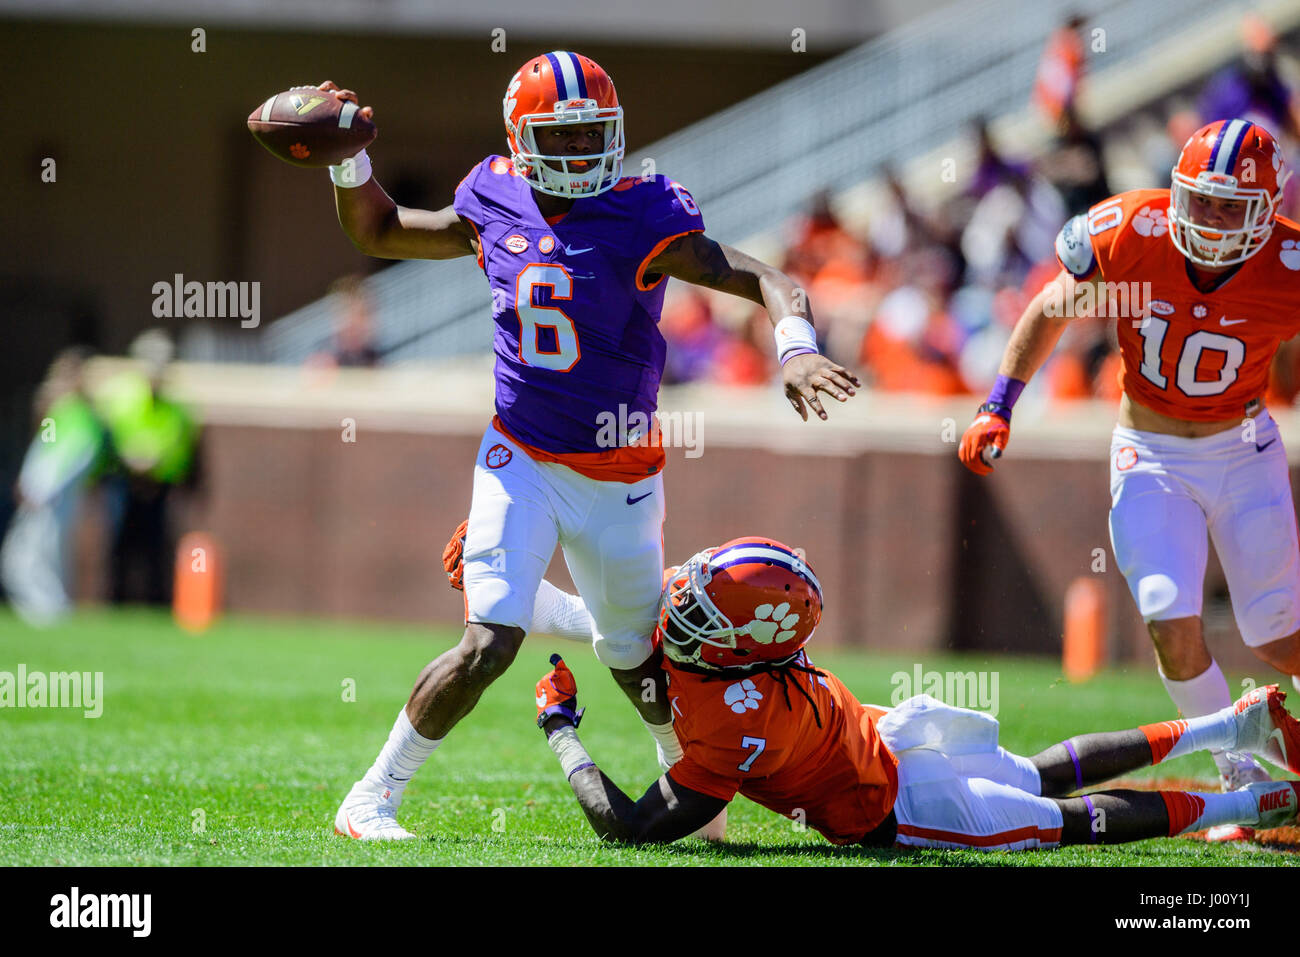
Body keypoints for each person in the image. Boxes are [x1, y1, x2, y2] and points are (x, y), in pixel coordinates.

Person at [314, 52, 859, 840]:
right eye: (560, 139)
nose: (578, 155)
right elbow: (380, 227)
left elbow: (769, 278)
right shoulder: (492, 195)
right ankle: (371, 798)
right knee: (489, 643)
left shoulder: (644, 215)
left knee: (637, 655)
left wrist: (798, 347)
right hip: (521, 456)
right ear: (520, 138)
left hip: (621, 471)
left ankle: (686, 788)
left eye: (591, 136)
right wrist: (349, 162)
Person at [957, 119, 1300, 836]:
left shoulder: (1288, 262)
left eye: (1225, 206)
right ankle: (1242, 773)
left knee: (1278, 631)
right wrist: (999, 403)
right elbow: (1052, 307)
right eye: (1197, 198)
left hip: (1243, 450)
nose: (1205, 217)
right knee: (1168, 616)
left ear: (1265, 212)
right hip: (1149, 449)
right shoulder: (1134, 229)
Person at [527, 537, 1300, 848]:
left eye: (699, 605)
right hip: (902, 735)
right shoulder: (743, 650)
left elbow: (626, 828)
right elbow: (613, 622)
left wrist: (560, 728)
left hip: (904, 804)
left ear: (741, 643)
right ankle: (1227, 724)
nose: (679, 605)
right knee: (1043, 773)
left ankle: (1250, 804)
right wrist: (517, 589)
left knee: (1071, 820)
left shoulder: (732, 720)